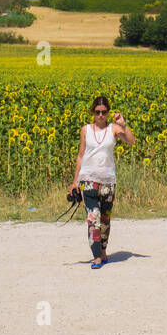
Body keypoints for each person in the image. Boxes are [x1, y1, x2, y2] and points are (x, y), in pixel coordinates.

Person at [69, 95, 134, 269]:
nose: (100, 115)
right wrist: (75, 181)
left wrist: (123, 124)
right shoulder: (85, 130)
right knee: (93, 218)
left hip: (108, 181)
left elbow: (131, 141)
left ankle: (103, 250)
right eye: (97, 112)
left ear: (108, 112)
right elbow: (80, 155)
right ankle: (97, 256)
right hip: (88, 179)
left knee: (105, 219)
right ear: (92, 112)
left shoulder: (113, 129)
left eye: (104, 112)